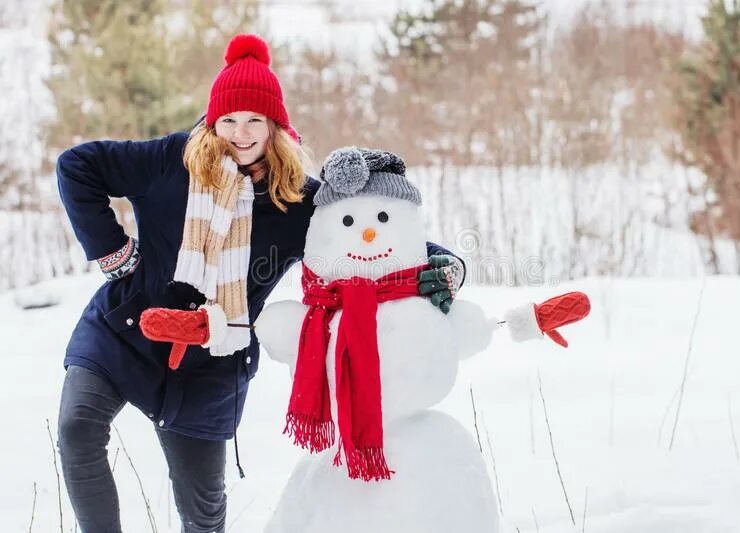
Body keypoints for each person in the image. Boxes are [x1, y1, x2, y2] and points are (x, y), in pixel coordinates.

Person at [55, 33, 465, 533]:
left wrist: (441, 263)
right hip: (126, 330)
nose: (240, 133)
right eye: (228, 120)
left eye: (254, 121)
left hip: (210, 365)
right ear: (212, 121)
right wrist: (115, 254)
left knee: (202, 512)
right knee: (78, 429)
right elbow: (76, 167)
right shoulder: (170, 161)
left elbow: (368, 237)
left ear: (276, 126)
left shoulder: (297, 201)